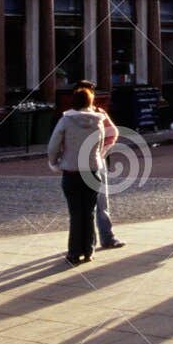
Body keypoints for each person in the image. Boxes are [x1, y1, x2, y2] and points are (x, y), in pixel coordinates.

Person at [47, 85, 114, 265]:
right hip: (92, 171)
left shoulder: (65, 121)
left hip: (72, 172)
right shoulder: (98, 121)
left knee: (75, 213)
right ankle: (89, 250)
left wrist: (54, 162)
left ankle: (74, 253)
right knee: (89, 212)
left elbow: (52, 146)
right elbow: (102, 144)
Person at [74, 83, 126, 251]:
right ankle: (97, 240)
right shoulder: (77, 115)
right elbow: (113, 133)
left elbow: (113, 132)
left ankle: (97, 240)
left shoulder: (90, 113)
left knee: (93, 203)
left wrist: (101, 151)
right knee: (94, 203)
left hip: (86, 163)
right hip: (88, 163)